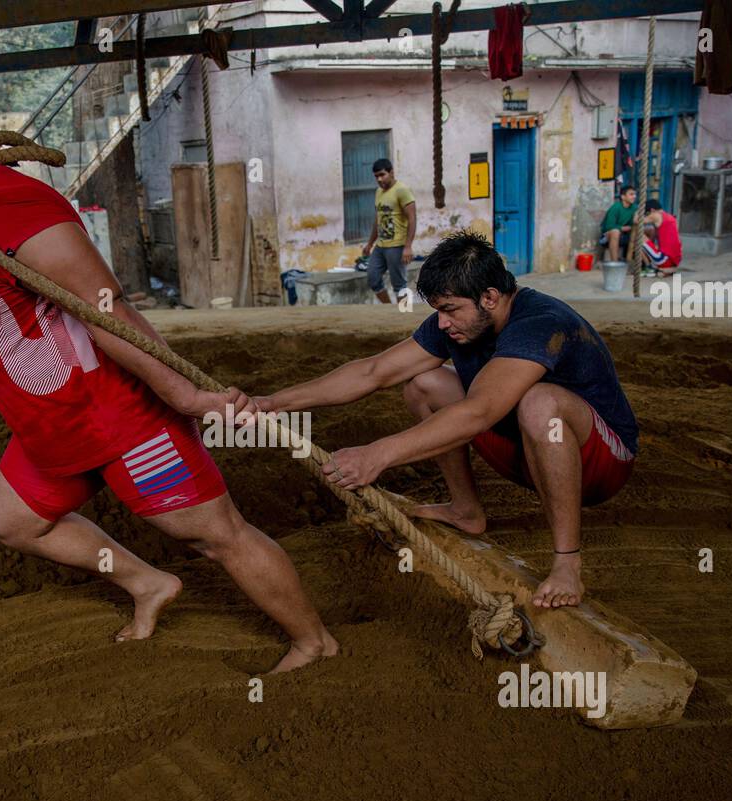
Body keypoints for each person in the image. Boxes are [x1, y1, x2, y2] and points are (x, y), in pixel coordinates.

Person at [0, 76, 337, 673]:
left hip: (121, 420)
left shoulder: (7, 205)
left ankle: (314, 642)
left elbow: (106, 307)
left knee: (219, 536)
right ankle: (147, 583)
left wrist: (185, 395)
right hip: (55, 424)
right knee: (14, 521)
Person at [257, 230, 639, 609]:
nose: (441, 322)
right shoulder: (460, 324)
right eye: (437, 310)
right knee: (423, 383)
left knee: (539, 403)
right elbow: (373, 372)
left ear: (490, 297)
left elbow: (479, 412)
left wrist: (377, 454)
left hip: (599, 463)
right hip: (526, 450)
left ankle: (567, 561)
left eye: (450, 309)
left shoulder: (541, 321)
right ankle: (465, 510)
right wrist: (273, 403)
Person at [361, 159, 416, 304]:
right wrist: (369, 244)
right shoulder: (378, 192)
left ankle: (405, 317)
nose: (379, 179)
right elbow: (378, 219)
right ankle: (389, 309)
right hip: (381, 245)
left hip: (397, 245)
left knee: (399, 284)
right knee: (373, 278)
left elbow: (412, 218)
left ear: (391, 172)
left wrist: (408, 246)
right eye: (376, 176)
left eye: (382, 175)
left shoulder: (402, 190)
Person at [640, 199, 682, 275]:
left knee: (639, 236)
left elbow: (637, 220)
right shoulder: (670, 217)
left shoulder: (656, 215)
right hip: (675, 260)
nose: (648, 215)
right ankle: (665, 269)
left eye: (647, 213)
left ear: (652, 210)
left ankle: (649, 266)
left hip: (663, 259)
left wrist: (638, 210)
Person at [600, 186, 637, 261]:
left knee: (649, 229)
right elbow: (608, 227)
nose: (634, 196)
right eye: (631, 194)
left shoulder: (634, 208)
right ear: (623, 197)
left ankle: (642, 261)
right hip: (606, 238)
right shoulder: (616, 207)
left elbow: (634, 224)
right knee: (615, 232)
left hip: (625, 235)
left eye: (635, 194)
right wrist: (624, 228)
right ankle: (615, 263)